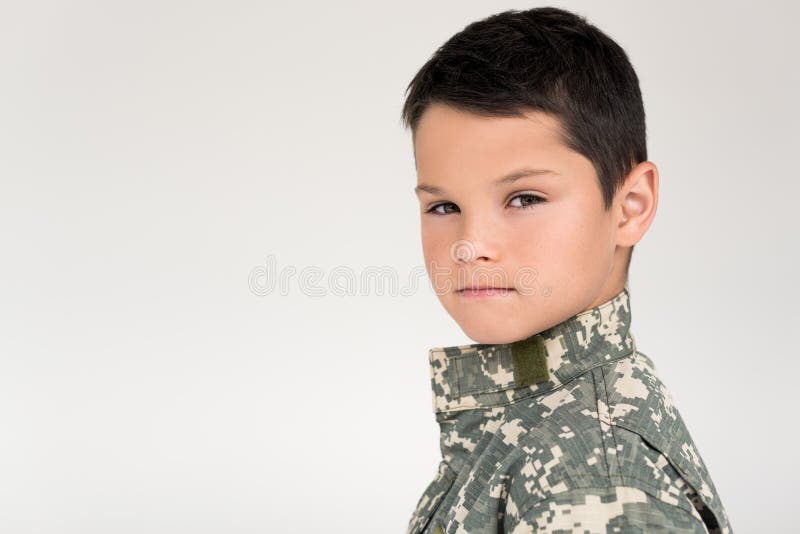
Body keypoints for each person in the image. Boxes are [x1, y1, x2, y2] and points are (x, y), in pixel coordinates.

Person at [400, 6, 733, 534]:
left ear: (630, 206)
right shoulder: (536, 424)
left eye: (524, 197)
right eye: (444, 207)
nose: (470, 246)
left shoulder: (596, 483)